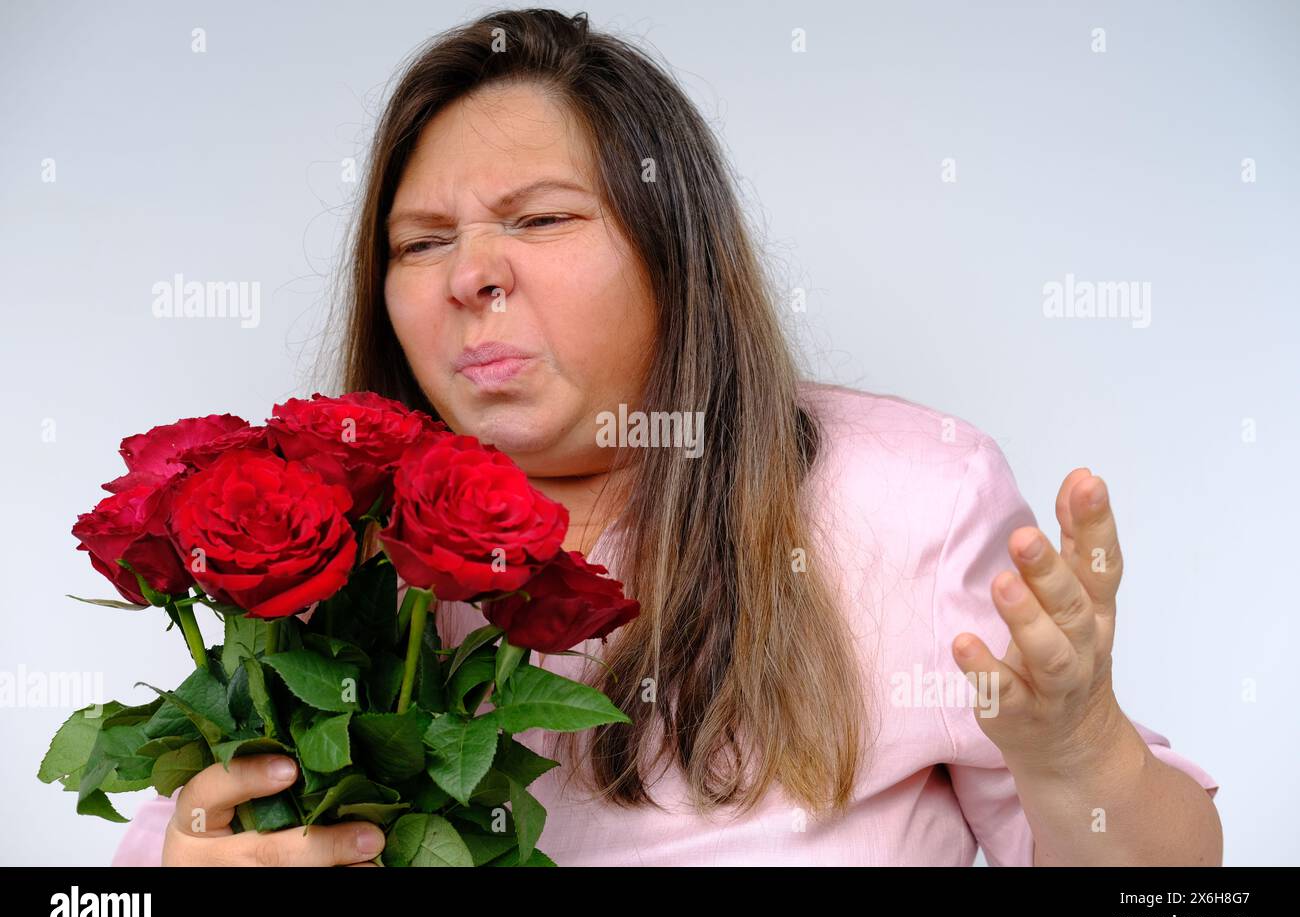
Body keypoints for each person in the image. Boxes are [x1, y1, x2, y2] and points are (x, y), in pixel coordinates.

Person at [112, 8, 1220, 867]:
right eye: (420, 241)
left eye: (539, 218)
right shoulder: (319, 556)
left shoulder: (905, 497)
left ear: (672, 248)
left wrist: (1080, 749)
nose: (470, 275)